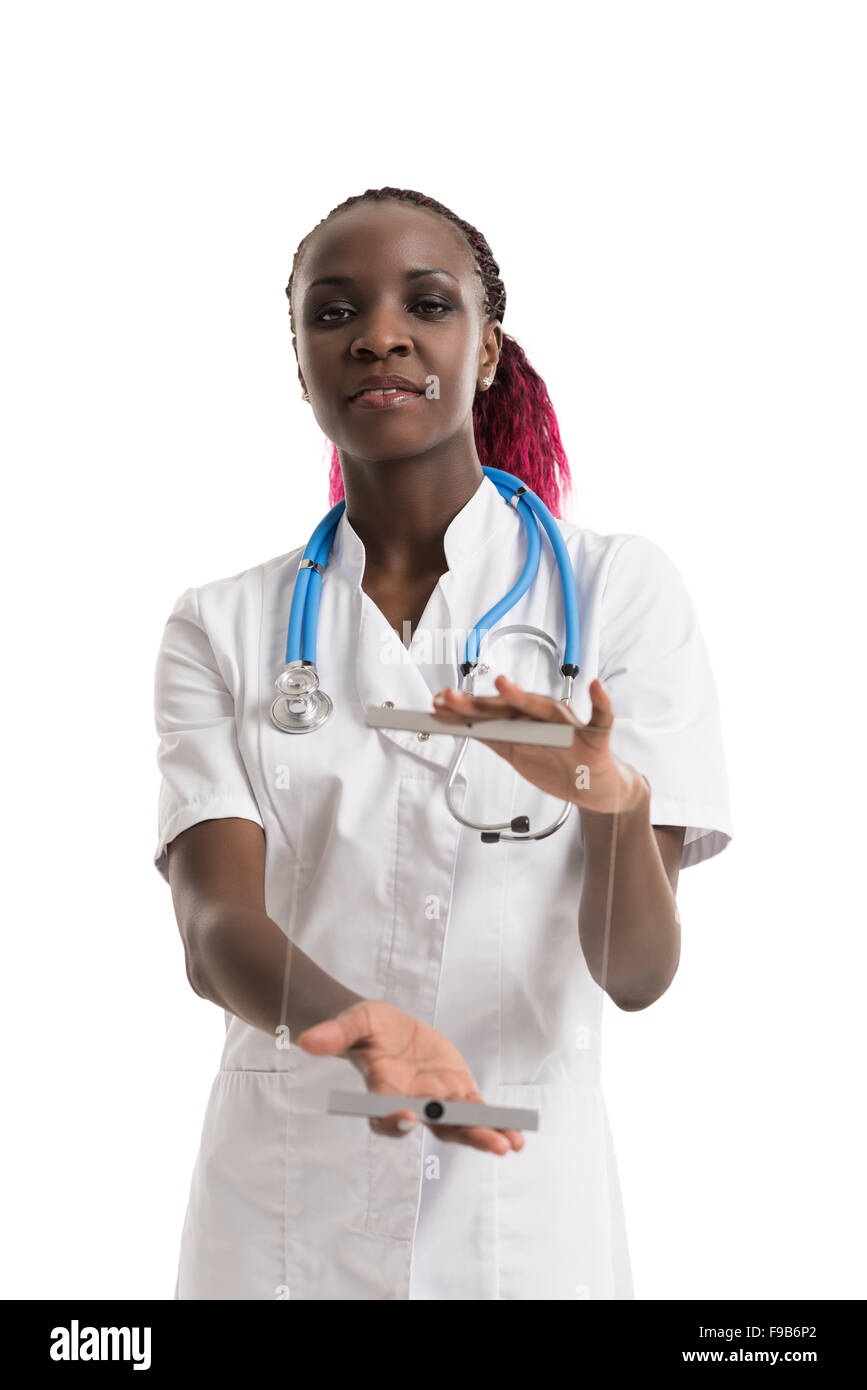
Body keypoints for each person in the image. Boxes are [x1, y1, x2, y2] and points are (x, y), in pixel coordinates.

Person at [152, 186, 733, 1300]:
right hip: (283, 1223)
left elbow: (640, 973)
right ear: (301, 360)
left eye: (427, 302)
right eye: (334, 313)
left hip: (518, 1225)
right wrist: (352, 1024)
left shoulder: (616, 594)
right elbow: (213, 923)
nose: (379, 333)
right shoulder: (220, 624)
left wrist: (609, 801)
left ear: (486, 347)